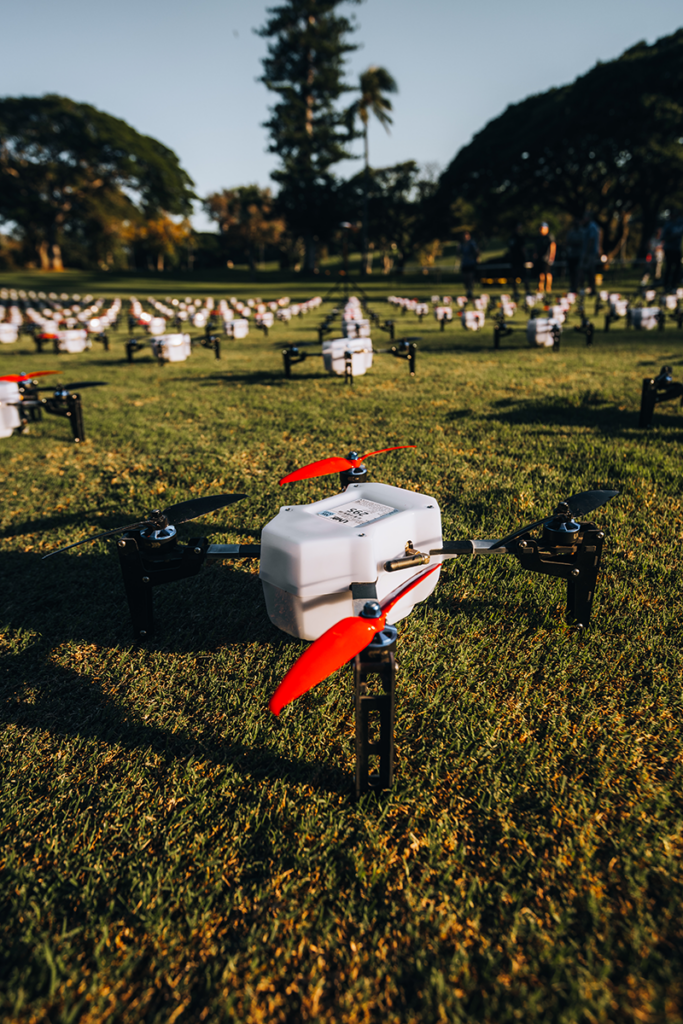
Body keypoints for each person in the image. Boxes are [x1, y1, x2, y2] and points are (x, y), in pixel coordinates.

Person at [662, 211, 683, 292]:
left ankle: (674, 285)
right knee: (669, 267)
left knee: (678, 267)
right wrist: (674, 236)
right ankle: (666, 285)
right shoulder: (668, 225)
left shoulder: (680, 222)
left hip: (677, 248)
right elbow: (664, 238)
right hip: (669, 248)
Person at [580, 211, 600, 293]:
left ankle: (590, 289)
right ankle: (590, 288)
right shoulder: (589, 226)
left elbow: (591, 240)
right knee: (589, 271)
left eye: (585, 217)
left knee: (587, 271)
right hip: (589, 252)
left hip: (590, 253)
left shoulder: (592, 227)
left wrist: (587, 252)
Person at [534, 222, 556, 294]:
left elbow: (553, 246)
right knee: (541, 273)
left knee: (547, 273)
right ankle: (540, 287)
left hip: (547, 258)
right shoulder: (539, 237)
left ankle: (548, 287)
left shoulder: (549, 236)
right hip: (540, 257)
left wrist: (551, 256)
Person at [507, 224, 528, 297]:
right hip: (518, 259)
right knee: (521, 276)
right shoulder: (518, 237)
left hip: (515, 259)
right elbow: (523, 249)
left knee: (516, 276)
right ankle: (525, 291)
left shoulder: (512, 238)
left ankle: (517, 291)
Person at [565, 218, 584, 294]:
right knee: (572, 272)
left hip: (579, 255)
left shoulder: (582, 232)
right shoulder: (571, 232)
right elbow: (567, 242)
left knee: (579, 272)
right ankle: (572, 287)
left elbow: (582, 242)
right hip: (571, 255)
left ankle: (580, 286)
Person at [460, 231, 479, 300]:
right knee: (465, 278)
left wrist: (475, 259)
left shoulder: (472, 244)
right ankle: (468, 291)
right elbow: (459, 253)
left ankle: (470, 291)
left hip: (471, 263)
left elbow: (477, 252)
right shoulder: (462, 244)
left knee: (470, 277)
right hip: (464, 263)